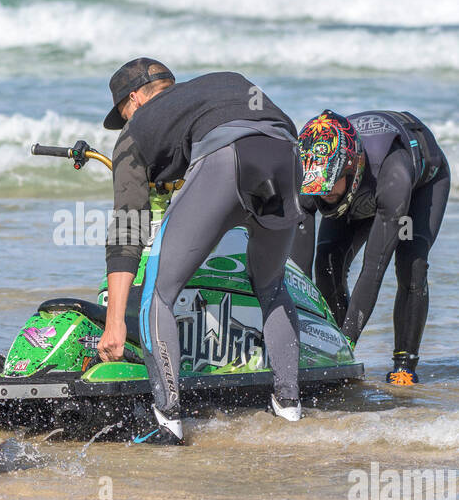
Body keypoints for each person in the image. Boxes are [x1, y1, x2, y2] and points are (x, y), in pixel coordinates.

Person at [96, 59, 305, 444]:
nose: (126, 122)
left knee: (158, 293)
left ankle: (168, 424)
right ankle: (289, 410)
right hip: (287, 153)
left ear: (135, 100)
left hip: (225, 157)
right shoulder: (220, 84)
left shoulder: (135, 130)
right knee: (271, 285)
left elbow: (128, 226)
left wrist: (114, 323)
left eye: (123, 113)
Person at [291, 109, 451, 385]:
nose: (322, 195)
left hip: (421, 183)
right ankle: (335, 348)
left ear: (351, 169)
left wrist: (343, 348)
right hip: (358, 188)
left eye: (328, 187)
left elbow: (373, 270)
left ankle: (404, 365)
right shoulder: (313, 175)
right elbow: (298, 271)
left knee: (411, 266)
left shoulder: (393, 178)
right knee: (326, 265)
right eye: (316, 188)